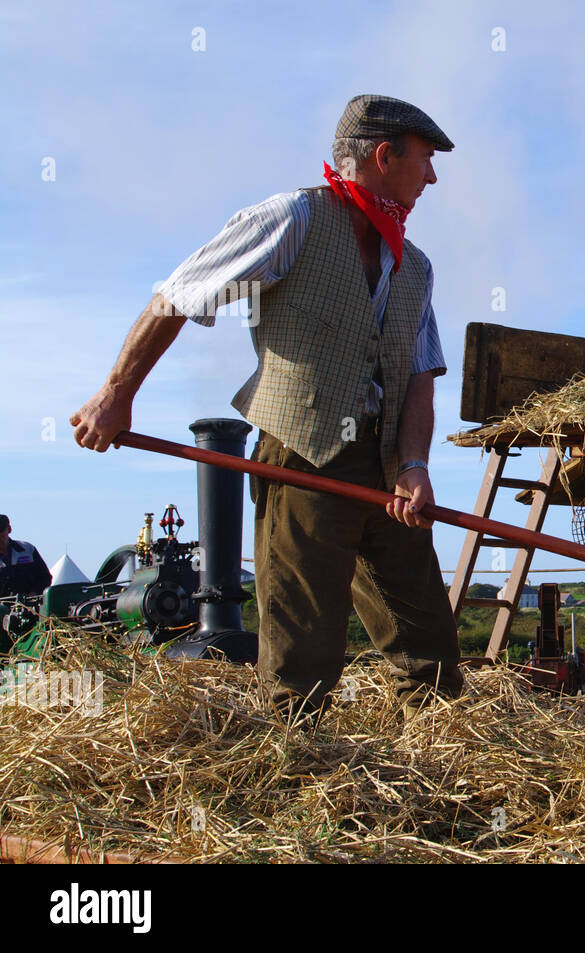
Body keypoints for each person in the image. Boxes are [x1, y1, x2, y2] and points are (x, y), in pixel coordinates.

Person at [70, 94, 462, 719]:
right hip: (302, 458)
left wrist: (414, 462)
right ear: (384, 156)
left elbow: (419, 375)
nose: (433, 176)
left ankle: (437, 777)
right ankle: (301, 785)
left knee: (429, 647)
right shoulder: (293, 221)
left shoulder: (413, 264)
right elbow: (177, 295)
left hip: (387, 469)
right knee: (302, 658)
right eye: (426, 159)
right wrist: (117, 394)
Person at [0, 515, 52, 598]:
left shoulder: (27, 550)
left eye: (1, 533)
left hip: (28, 606)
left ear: (9, 529)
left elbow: (45, 577)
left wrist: (34, 593)